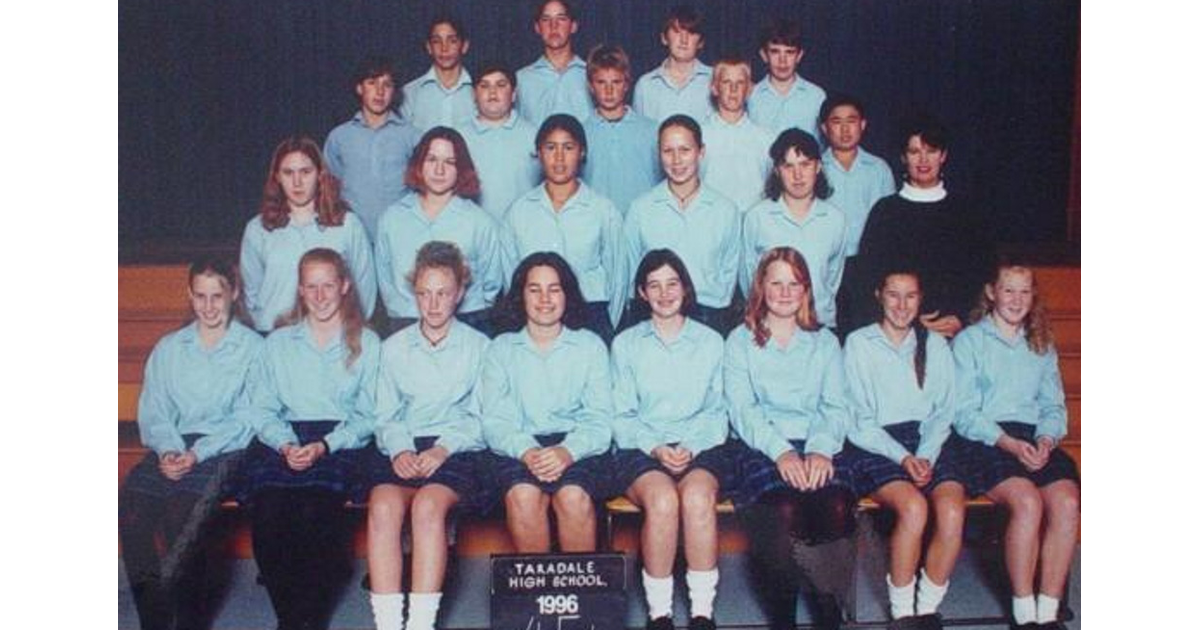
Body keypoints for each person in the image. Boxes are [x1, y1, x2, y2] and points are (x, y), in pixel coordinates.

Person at [234, 248, 381, 630]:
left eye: (327, 285)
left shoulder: (367, 342)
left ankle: (308, 622)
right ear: (300, 290)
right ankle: (291, 619)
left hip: (340, 440)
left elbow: (371, 415)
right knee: (268, 519)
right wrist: (284, 443)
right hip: (285, 437)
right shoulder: (277, 344)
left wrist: (326, 444)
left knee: (314, 516)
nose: (319, 296)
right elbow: (260, 409)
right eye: (310, 287)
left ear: (344, 286)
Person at [119, 258, 263, 630]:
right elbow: (154, 410)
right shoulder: (170, 348)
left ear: (234, 294)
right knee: (131, 513)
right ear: (189, 295)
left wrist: (197, 453)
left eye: (218, 296)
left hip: (225, 448)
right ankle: (154, 617)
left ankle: (190, 622)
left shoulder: (251, 348)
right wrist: (168, 449)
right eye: (201, 296)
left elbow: (248, 417)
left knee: (182, 515)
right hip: (174, 445)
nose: (209, 307)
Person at [363, 242, 496, 630]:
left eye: (442, 294)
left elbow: (480, 417)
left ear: (458, 294)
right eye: (424, 294)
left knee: (427, 506)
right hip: (404, 445)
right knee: (384, 503)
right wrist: (401, 449)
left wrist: (442, 449)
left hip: (458, 451)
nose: (433, 304)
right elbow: (385, 415)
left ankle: (421, 623)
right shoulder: (392, 349)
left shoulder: (480, 348)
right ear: (414, 295)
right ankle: (388, 623)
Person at [723, 247, 855, 630]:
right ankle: (784, 620)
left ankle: (830, 618)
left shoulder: (825, 342)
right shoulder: (739, 341)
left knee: (834, 507)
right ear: (760, 287)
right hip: (762, 447)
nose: (784, 292)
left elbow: (835, 407)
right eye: (775, 282)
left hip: (817, 444)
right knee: (783, 513)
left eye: (793, 283)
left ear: (806, 290)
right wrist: (781, 453)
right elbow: (743, 410)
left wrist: (818, 449)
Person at [610, 250, 739, 630]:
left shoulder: (712, 341)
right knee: (664, 500)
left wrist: (691, 448)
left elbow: (719, 411)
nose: (664, 293)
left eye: (672, 283)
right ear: (642, 293)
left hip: (702, 445)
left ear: (685, 287)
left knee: (697, 497)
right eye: (654, 285)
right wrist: (657, 448)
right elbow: (621, 415)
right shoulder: (626, 344)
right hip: (643, 447)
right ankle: (660, 615)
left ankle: (702, 613)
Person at [952, 263, 1079, 630]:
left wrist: (1045, 438)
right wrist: (1009, 443)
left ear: (1032, 296)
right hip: (986, 437)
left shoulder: (1040, 342)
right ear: (992, 292)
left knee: (1067, 501)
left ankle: (1048, 610)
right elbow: (964, 412)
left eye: (1024, 292)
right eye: (1009, 290)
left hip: (1032, 435)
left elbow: (1053, 406)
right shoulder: (971, 341)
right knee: (1027, 501)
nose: (1016, 300)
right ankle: (1024, 612)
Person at [843, 270, 968, 628]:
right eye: (893, 295)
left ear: (920, 299)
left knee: (952, 511)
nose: (901, 305)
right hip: (878, 444)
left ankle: (927, 610)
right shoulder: (859, 343)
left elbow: (945, 411)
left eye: (910, 296)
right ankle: (903, 614)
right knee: (913, 508)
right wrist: (904, 457)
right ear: (878, 295)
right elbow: (859, 420)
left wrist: (925, 454)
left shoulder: (936, 344)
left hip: (931, 441)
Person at [481, 252, 614, 553]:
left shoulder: (590, 346)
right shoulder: (500, 349)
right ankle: (540, 596)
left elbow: (600, 419)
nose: (545, 299)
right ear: (520, 296)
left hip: (577, 444)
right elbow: (495, 420)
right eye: (534, 289)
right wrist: (528, 453)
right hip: (520, 446)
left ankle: (579, 596)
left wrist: (568, 451)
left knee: (572, 497)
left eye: (554, 289)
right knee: (524, 496)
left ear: (567, 295)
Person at [841, 114, 993, 337]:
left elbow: (980, 273)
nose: (923, 160)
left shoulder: (965, 212)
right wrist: (906, 320)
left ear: (943, 156)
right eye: (914, 152)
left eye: (931, 151)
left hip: (956, 333)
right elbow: (869, 279)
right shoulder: (886, 211)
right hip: (898, 331)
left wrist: (961, 317)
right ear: (903, 157)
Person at [501, 114, 627, 341]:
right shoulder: (518, 212)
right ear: (539, 153)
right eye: (551, 147)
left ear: (582, 152)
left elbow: (618, 277)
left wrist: (608, 327)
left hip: (591, 315)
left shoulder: (603, 210)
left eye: (568, 147)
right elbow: (511, 276)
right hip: (536, 320)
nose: (559, 157)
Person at [375, 127, 504, 337]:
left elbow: (491, 285)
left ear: (461, 168)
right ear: (419, 164)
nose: (439, 170)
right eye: (432, 159)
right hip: (407, 323)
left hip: (468, 323)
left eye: (449, 162)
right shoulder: (392, 219)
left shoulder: (480, 221)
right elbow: (386, 280)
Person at [242, 136, 377, 332]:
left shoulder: (347, 225)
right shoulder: (258, 229)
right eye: (288, 173)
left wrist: (349, 329)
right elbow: (251, 296)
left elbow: (365, 291)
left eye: (305, 172)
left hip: (333, 338)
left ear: (320, 174)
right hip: (273, 337)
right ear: (277, 177)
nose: (297, 182)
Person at [624, 115, 740, 336]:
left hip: (709, 316)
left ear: (701, 151)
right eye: (668, 151)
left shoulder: (726, 210)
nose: (677, 160)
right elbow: (631, 271)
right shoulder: (640, 209)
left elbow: (729, 273)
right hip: (656, 317)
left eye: (685, 150)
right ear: (659, 155)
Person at [741, 129, 848, 330]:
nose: (797, 175)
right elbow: (748, 277)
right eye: (788, 166)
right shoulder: (757, 217)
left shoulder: (836, 219)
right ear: (776, 170)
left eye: (805, 164)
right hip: (769, 326)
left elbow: (832, 279)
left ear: (818, 166)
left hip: (820, 326)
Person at [324, 57, 423, 242]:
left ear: (394, 92)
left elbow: (422, 189)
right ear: (360, 88)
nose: (379, 91)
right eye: (372, 83)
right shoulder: (339, 137)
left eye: (387, 85)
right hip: (351, 235)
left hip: (400, 234)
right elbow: (330, 188)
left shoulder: (412, 136)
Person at [582, 44, 661, 217]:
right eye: (601, 82)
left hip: (643, 222)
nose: (609, 90)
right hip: (596, 223)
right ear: (590, 86)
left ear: (626, 84)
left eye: (616, 82)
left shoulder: (651, 130)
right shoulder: (580, 133)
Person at [458, 64, 540, 221]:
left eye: (501, 85)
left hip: (523, 226)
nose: (493, 92)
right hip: (472, 228)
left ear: (514, 94)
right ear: (474, 94)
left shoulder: (534, 135)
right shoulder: (458, 137)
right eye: (484, 86)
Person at [819, 93, 896, 257]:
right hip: (827, 259)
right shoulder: (815, 168)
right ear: (824, 128)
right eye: (837, 122)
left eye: (851, 121)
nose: (845, 129)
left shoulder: (879, 169)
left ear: (862, 125)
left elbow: (892, 221)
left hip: (871, 259)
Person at [700, 55, 775, 212]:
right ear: (714, 88)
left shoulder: (766, 138)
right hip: (710, 220)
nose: (733, 89)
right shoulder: (700, 135)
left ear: (749, 89)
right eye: (726, 82)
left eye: (740, 83)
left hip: (753, 221)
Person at [631, 4, 714, 123]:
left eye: (691, 33)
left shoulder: (715, 79)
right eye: (677, 31)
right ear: (664, 38)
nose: (684, 40)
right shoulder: (645, 86)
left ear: (701, 42)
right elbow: (639, 134)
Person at [747, 19, 827, 138]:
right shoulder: (751, 96)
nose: (782, 61)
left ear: (799, 56)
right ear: (764, 55)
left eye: (789, 52)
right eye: (775, 52)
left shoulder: (817, 96)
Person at [516, 0, 591, 126]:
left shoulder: (591, 74)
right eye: (546, 19)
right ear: (537, 28)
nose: (554, 25)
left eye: (561, 18)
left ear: (573, 26)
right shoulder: (522, 79)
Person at [400, 15, 476, 132]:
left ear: (464, 46)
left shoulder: (478, 92)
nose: (444, 48)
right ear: (429, 47)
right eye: (437, 41)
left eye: (452, 41)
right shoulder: (410, 93)